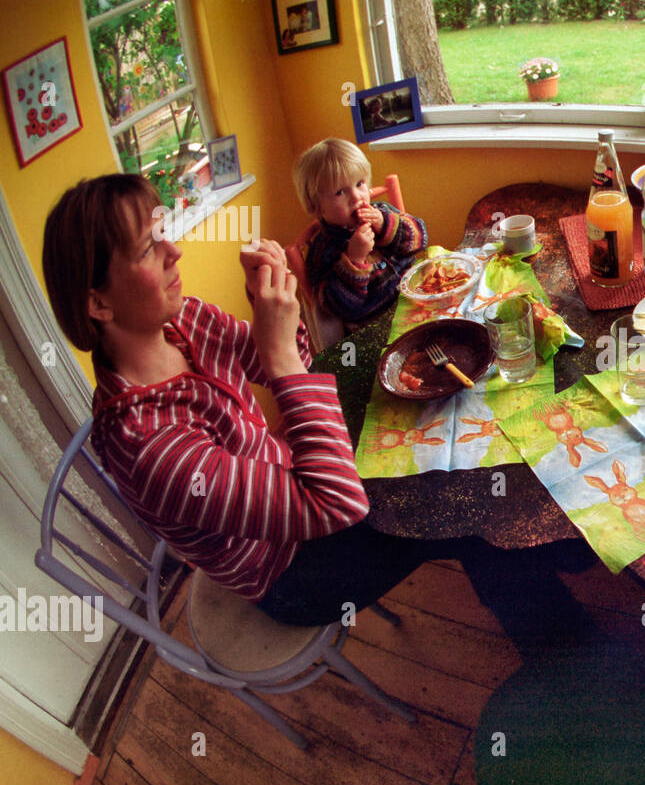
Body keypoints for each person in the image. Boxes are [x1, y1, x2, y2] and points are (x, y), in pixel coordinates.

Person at [41, 174, 477, 626]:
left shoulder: (186, 320)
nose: (175, 252)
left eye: (162, 233)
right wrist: (280, 354)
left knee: (434, 443)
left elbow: (301, 360)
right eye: (148, 249)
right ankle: (541, 644)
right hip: (290, 572)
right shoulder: (146, 446)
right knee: (455, 506)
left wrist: (265, 301)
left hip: (299, 474)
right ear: (98, 305)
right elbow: (335, 504)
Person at [296, 138, 426, 325]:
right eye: (340, 192)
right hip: (379, 324)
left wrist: (385, 225)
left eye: (360, 184)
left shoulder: (382, 211)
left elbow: (421, 238)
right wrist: (354, 260)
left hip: (419, 294)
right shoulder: (323, 249)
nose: (356, 197)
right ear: (317, 206)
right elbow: (338, 308)